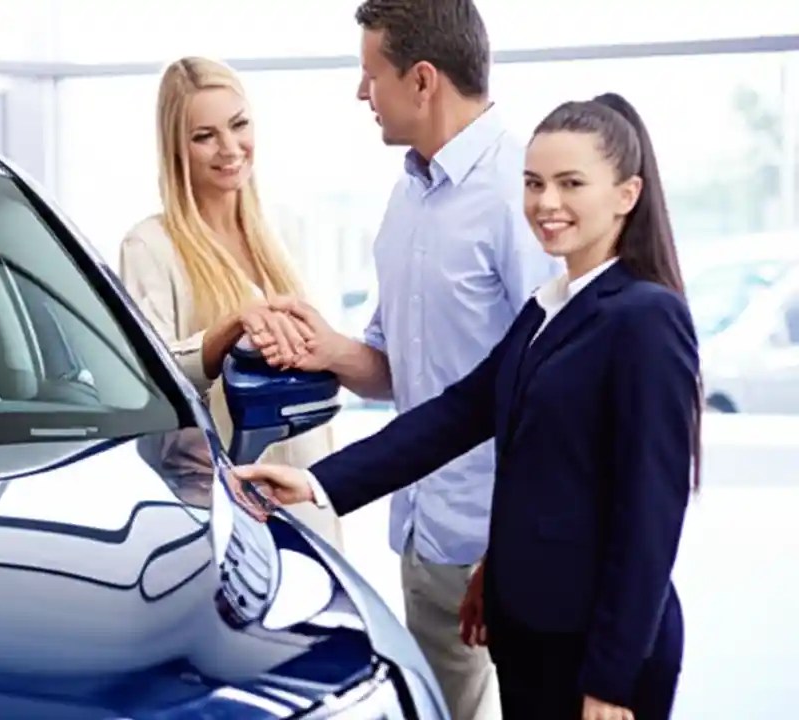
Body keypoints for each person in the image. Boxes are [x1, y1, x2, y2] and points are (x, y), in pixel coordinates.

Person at [236, 91, 700, 720]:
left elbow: (650, 514)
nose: (546, 203)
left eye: (571, 183)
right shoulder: (548, 304)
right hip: (532, 633)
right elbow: (459, 414)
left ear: (627, 194)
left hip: (596, 651)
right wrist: (317, 482)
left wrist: (611, 680)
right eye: (533, 183)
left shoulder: (646, 318)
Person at [253, 2, 561, 717]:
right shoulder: (408, 198)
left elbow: (548, 391)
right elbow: (403, 368)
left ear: (422, 81)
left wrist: (510, 545)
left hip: (499, 548)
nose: (362, 94)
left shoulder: (524, 193)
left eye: (372, 76)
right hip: (423, 534)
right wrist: (329, 348)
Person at [116, 56, 344, 548]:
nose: (230, 148)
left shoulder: (287, 231)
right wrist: (227, 331)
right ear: (177, 148)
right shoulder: (150, 246)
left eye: (238, 125)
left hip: (309, 500)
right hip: (223, 512)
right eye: (204, 136)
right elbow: (146, 386)